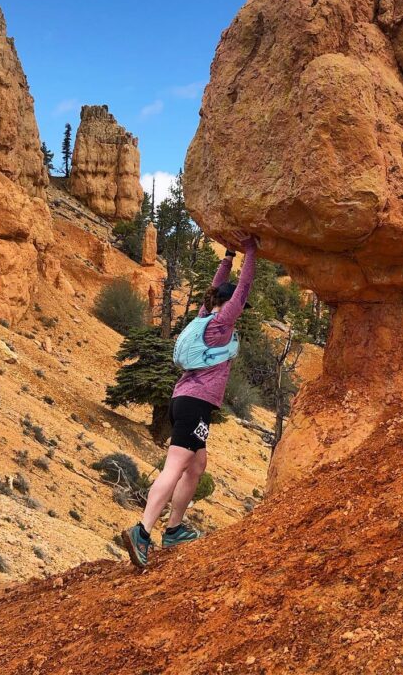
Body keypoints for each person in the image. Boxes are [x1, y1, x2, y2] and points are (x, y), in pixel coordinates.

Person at [122, 234, 258, 568]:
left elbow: (218, 286)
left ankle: (174, 529)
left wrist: (227, 256)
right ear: (227, 305)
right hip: (195, 403)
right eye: (236, 306)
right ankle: (142, 530)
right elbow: (244, 286)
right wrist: (252, 249)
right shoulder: (221, 324)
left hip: (184, 400)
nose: (240, 311)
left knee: (197, 465)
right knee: (176, 467)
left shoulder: (203, 316)